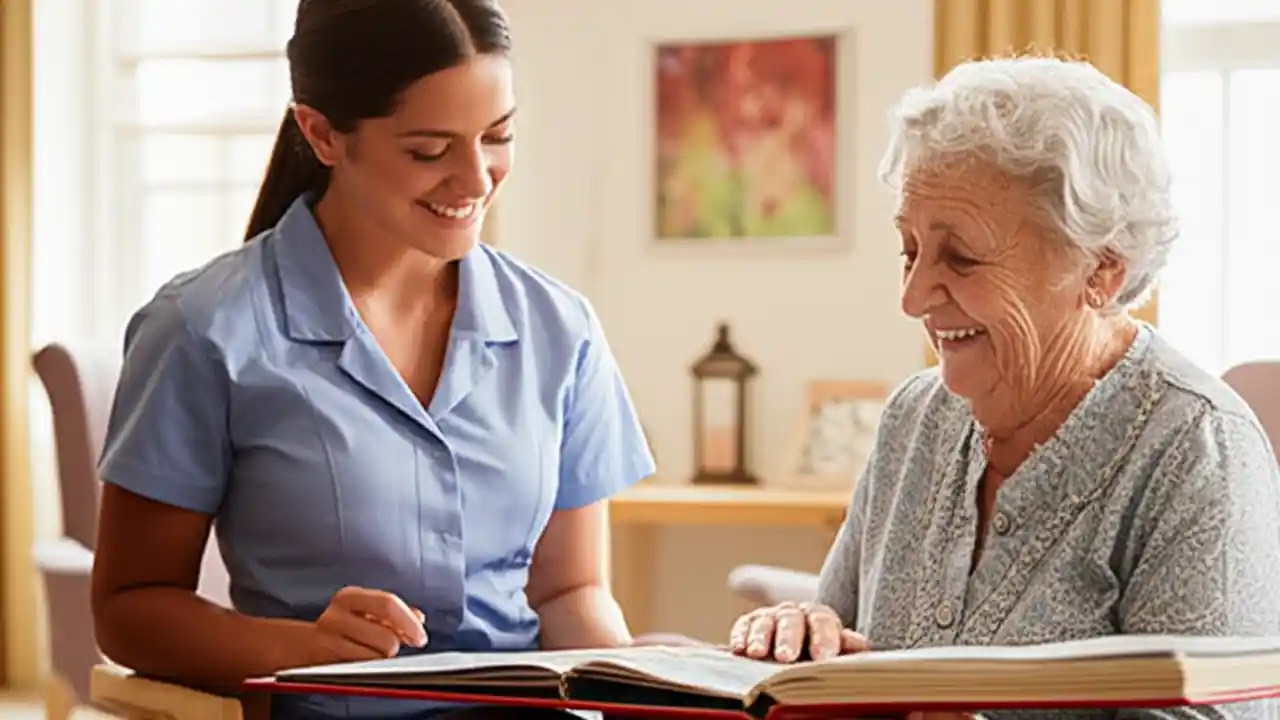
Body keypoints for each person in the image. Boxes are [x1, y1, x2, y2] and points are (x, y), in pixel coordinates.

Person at [89, 1, 655, 718]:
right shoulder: (203, 330)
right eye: (429, 149)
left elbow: (568, 592)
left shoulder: (558, 328)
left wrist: (630, 699)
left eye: (499, 135)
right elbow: (130, 608)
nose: (477, 179)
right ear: (321, 133)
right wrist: (296, 648)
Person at [729, 55, 1280, 719]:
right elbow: (836, 643)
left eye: (959, 256)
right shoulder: (915, 417)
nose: (911, 298)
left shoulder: (1199, 449)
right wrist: (800, 635)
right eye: (909, 251)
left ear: (1101, 270)